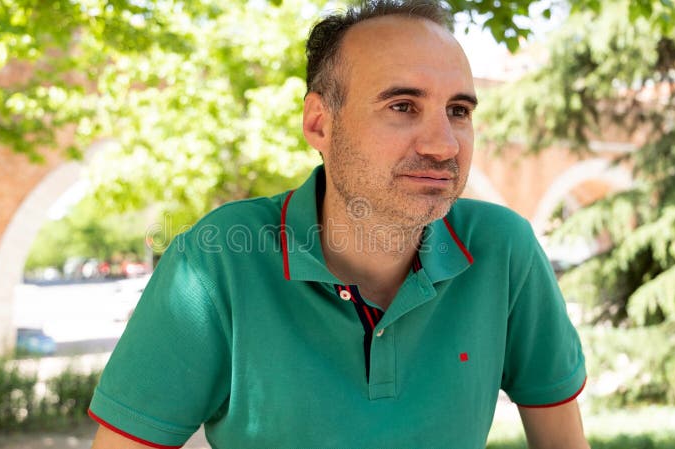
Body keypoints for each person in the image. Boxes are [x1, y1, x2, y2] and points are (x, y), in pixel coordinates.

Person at [89, 1, 589, 448]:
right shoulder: (215, 260)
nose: (444, 145)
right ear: (319, 124)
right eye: (402, 106)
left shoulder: (504, 249)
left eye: (458, 110)